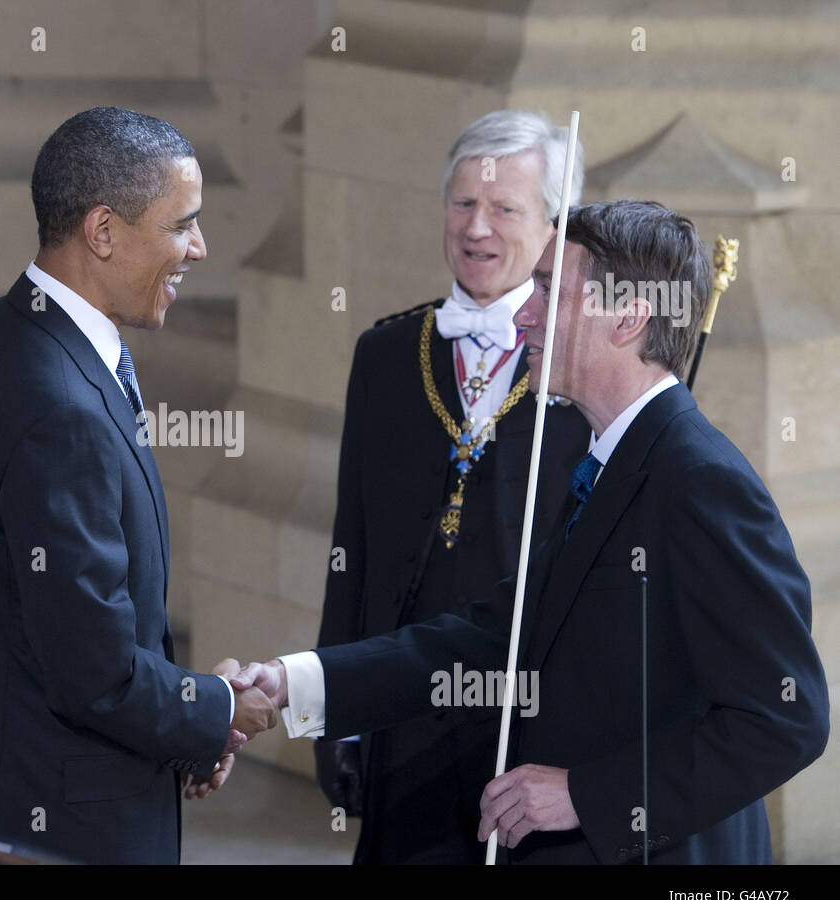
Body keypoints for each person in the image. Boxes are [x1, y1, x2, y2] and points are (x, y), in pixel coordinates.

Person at [237, 199, 830, 864]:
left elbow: (786, 719)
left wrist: (586, 795)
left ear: (629, 317)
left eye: (548, 289)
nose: (523, 312)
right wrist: (298, 681)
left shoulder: (700, 481)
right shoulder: (611, 459)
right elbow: (499, 633)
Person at [0, 107, 275, 864]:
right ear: (103, 232)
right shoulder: (59, 407)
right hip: (54, 824)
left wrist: (188, 730)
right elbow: (96, 676)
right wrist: (221, 708)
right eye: (183, 225)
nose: (199, 248)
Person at [315, 110, 591, 864]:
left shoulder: (581, 367)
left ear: (553, 226)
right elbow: (354, 552)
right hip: (401, 709)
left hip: (525, 721)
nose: (477, 228)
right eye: (463, 203)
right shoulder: (383, 353)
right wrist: (336, 710)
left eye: (505, 208)